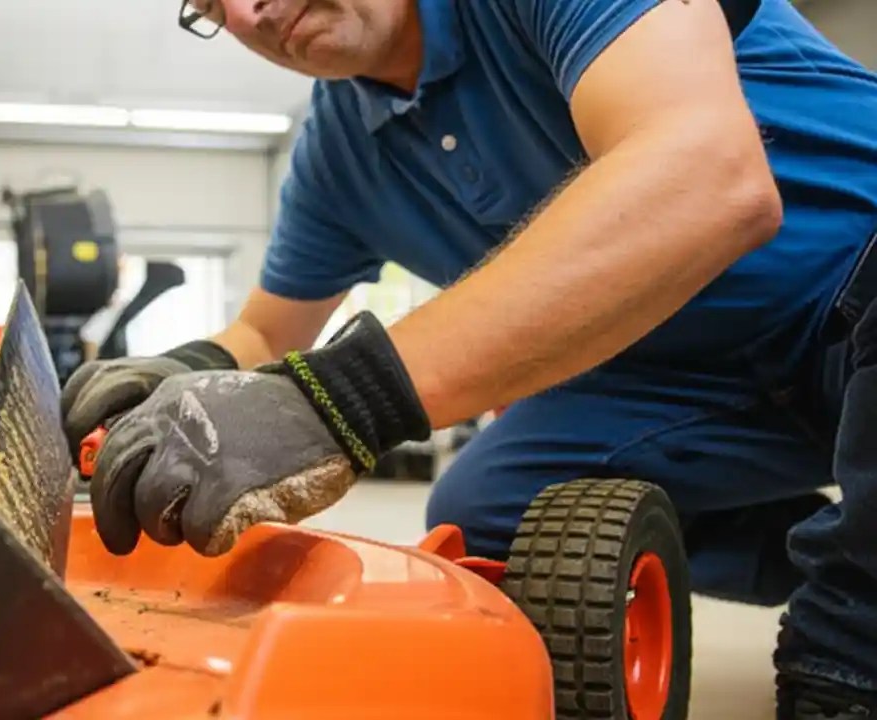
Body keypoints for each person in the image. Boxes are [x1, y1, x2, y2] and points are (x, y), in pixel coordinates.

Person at [59, 0, 877, 716]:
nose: (247, 13)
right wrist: (177, 370)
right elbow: (269, 333)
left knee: (850, 641)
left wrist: (342, 400)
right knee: (491, 508)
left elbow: (712, 181)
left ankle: (853, 608)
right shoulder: (338, 149)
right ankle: (829, 540)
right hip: (686, 380)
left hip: (853, 281)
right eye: (209, 6)